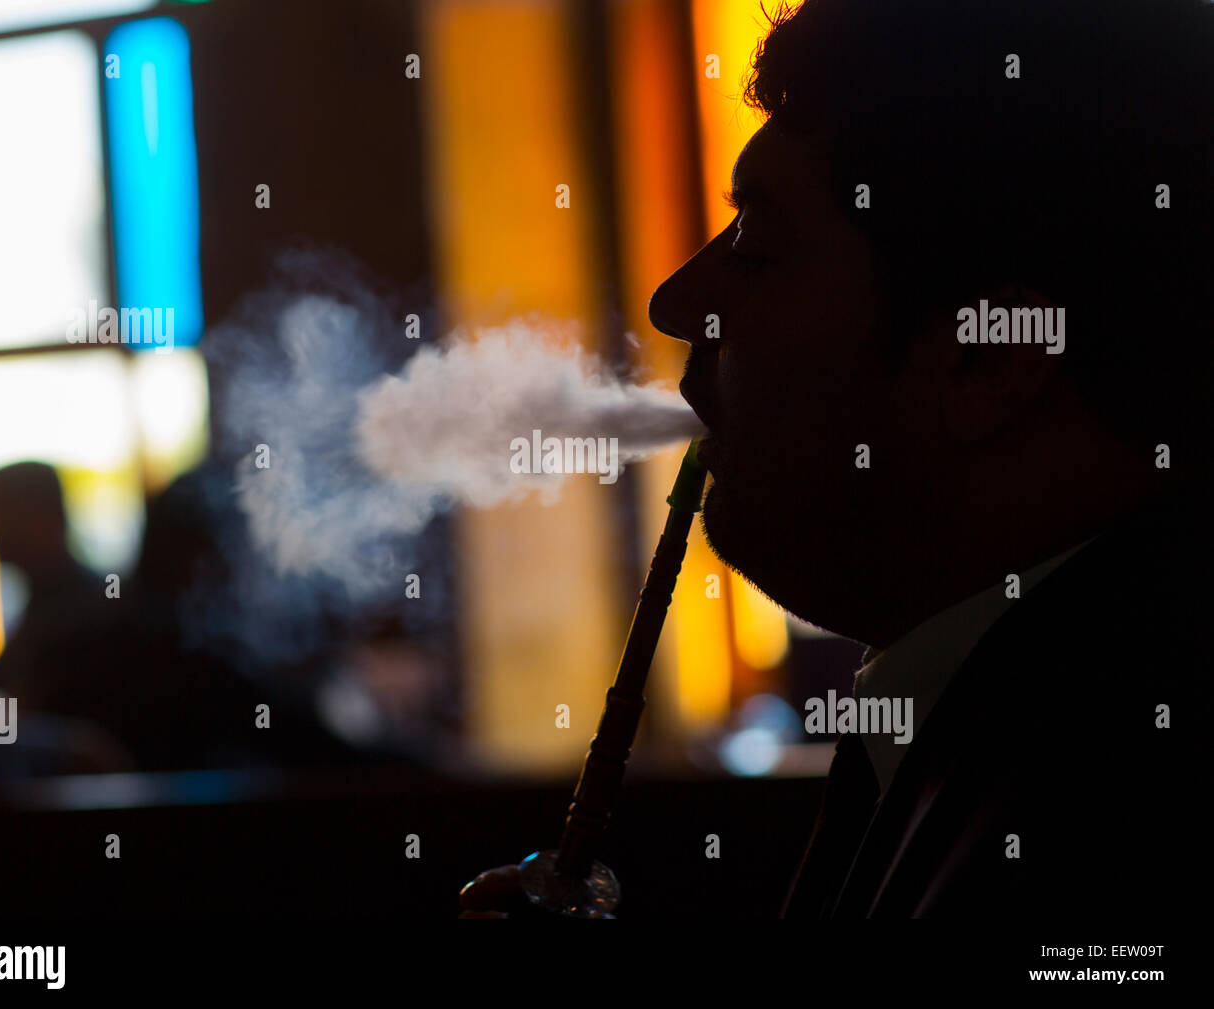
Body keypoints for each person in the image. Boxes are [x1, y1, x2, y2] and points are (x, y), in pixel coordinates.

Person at [460, 0, 1211, 918]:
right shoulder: (1036, 712)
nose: (677, 301)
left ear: (991, 358)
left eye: (760, 247)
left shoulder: (1113, 822)